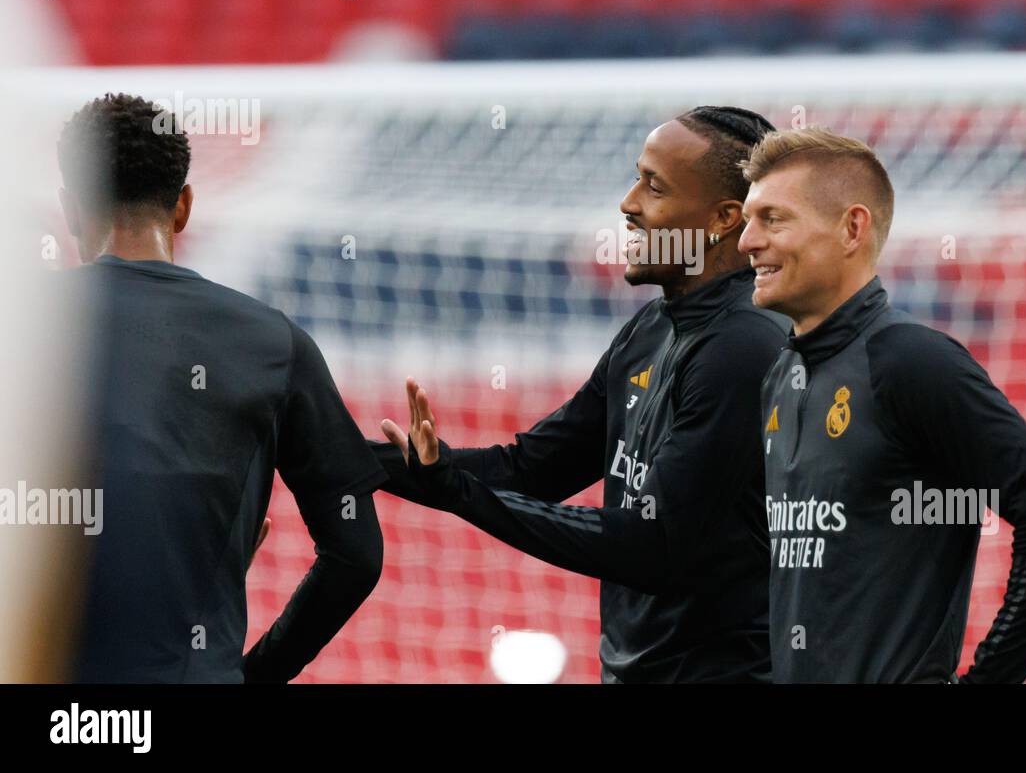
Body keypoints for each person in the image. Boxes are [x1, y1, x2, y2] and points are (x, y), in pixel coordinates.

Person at [376, 107, 789, 683]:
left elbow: (653, 546)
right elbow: (533, 469)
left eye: (654, 187)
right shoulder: (653, 328)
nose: (628, 204)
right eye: (636, 179)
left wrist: (459, 492)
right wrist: (351, 457)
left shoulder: (745, 347)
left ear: (723, 218)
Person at [737, 126, 1026, 683]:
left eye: (773, 219)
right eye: (747, 220)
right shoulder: (781, 375)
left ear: (852, 228)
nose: (747, 241)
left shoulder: (910, 360)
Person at [59, 93, 386, 682]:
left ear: (70, 208)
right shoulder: (274, 345)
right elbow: (356, 555)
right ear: (184, 206)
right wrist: (256, 674)